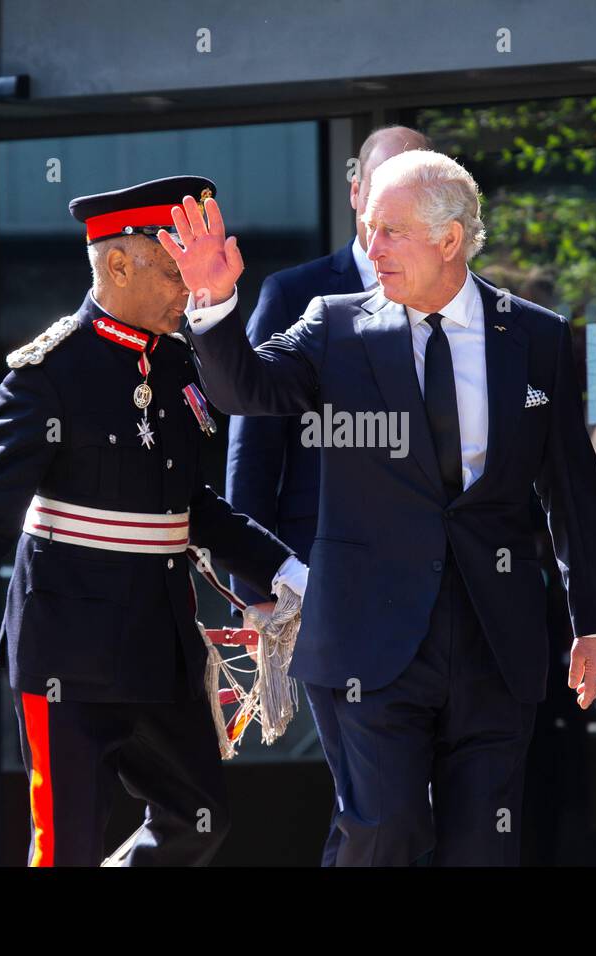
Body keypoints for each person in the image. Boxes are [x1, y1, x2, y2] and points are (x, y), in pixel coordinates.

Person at [162, 150, 596, 865]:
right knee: (384, 833)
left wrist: (595, 621)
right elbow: (247, 390)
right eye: (369, 227)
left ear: (449, 240)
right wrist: (215, 307)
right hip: (365, 644)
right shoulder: (335, 325)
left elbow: (570, 487)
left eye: (390, 231)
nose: (370, 248)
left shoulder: (533, 337)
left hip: (494, 642)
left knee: (482, 848)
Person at [0, 177, 305, 867]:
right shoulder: (49, 371)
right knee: (64, 846)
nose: (187, 290)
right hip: (65, 655)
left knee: (201, 820)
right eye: (171, 270)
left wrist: (283, 567)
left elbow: (196, 507)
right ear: (118, 264)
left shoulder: (181, 362)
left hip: (159, 647)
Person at [225, 124, 428, 865]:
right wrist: (256, 583)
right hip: (324, 587)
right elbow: (253, 444)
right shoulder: (296, 293)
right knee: (371, 796)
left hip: (432, 586)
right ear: (355, 194)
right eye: (384, 185)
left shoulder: (453, 296)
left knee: (407, 797)